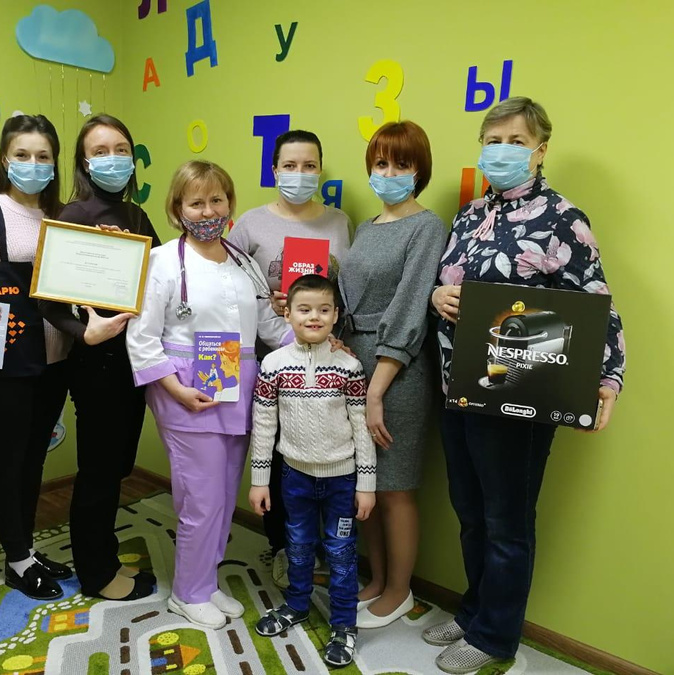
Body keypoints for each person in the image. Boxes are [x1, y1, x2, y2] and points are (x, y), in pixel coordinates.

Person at [424, 97, 627, 674]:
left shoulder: (563, 218)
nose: (503, 150)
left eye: (516, 140)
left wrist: (608, 377)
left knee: (507, 521)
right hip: (460, 385)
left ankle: (495, 636)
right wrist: (437, 296)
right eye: (493, 140)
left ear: (540, 150)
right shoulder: (469, 216)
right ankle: (474, 611)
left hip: (522, 392)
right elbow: (447, 285)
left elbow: (596, 303)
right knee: (470, 511)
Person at [126, 160, 291, 630]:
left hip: (235, 386)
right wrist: (174, 388)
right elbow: (141, 336)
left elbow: (268, 325)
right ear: (178, 208)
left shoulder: (243, 261)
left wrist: (311, 340)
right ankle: (188, 593)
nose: (208, 211)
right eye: (196, 202)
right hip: (185, 389)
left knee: (221, 494)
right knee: (200, 499)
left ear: (230, 203)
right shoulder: (162, 262)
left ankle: (205, 580)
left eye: (216, 200)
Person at [38, 114, 159, 601]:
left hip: (136, 360)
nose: (113, 159)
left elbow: (161, 279)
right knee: (99, 471)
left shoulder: (137, 216)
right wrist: (83, 333)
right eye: (101, 151)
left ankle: (104, 556)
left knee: (119, 465)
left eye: (121, 149)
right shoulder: (72, 216)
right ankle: (96, 573)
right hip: (96, 365)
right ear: (85, 162)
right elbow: (48, 303)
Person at [227, 129, 351, 587]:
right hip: (271, 360)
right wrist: (273, 305)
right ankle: (282, 546)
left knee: (324, 452)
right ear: (275, 169)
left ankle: (324, 547)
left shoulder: (339, 222)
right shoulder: (251, 224)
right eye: (291, 166)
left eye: (310, 166)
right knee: (279, 454)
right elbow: (232, 287)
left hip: (327, 362)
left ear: (320, 170)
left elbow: (345, 290)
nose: (300, 174)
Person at [0, 114, 72, 600]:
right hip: (4, 361)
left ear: (55, 162)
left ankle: (23, 548)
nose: (33, 164)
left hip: (56, 359)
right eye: (22, 155)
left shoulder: (61, 215)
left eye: (43, 156)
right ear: (5, 159)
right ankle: (17, 558)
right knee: (7, 458)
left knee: (34, 456)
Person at [337, 121, 447, 629]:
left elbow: (408, 310)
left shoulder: (427, 227)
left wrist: (376, 390)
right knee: (366, 481)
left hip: (397, 372)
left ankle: (400, 591)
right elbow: (350, 299)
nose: (389, 172)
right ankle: (377, 579)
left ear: (419, 169)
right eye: (380, 163)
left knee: (396, 486)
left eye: (401, 164)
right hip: (354, 365)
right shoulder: (365, 227)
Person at [248, 274, 376, 668]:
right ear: (287, 314)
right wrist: (259, 481)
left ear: (336, 315)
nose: (314, 317)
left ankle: (344, 624)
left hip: (342, 480)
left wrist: (367, 484)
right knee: (298, 546)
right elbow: (264, 425)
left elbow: (362, 428)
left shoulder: (349, 367)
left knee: (341, 553)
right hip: (295, 477)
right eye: (304, 309)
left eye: (323, 310)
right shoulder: (272, 365)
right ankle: (297, 605)